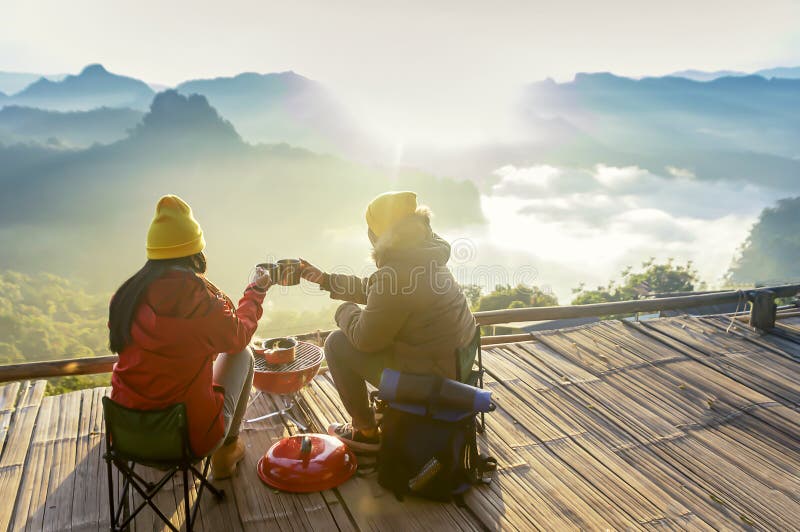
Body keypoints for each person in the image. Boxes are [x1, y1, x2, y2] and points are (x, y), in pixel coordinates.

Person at [109, 195, 272, 479]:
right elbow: (239, 336)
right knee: (241, 354)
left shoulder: (125, 297)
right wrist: (256, 291)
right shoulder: (200, 302)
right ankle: (226, 454)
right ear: (195, 251)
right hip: (187, 440)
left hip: (126, 434)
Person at [300, 191, 476, 452]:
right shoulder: (425, 254)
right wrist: (325, 280)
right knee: (369, 334)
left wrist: (343, 311)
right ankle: (381, 418)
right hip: (457, 361)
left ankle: (366, 431)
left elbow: (365, 339)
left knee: (338, 343)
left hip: (432, 379)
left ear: (378, 235)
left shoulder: (396, 274)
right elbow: (380, 292)